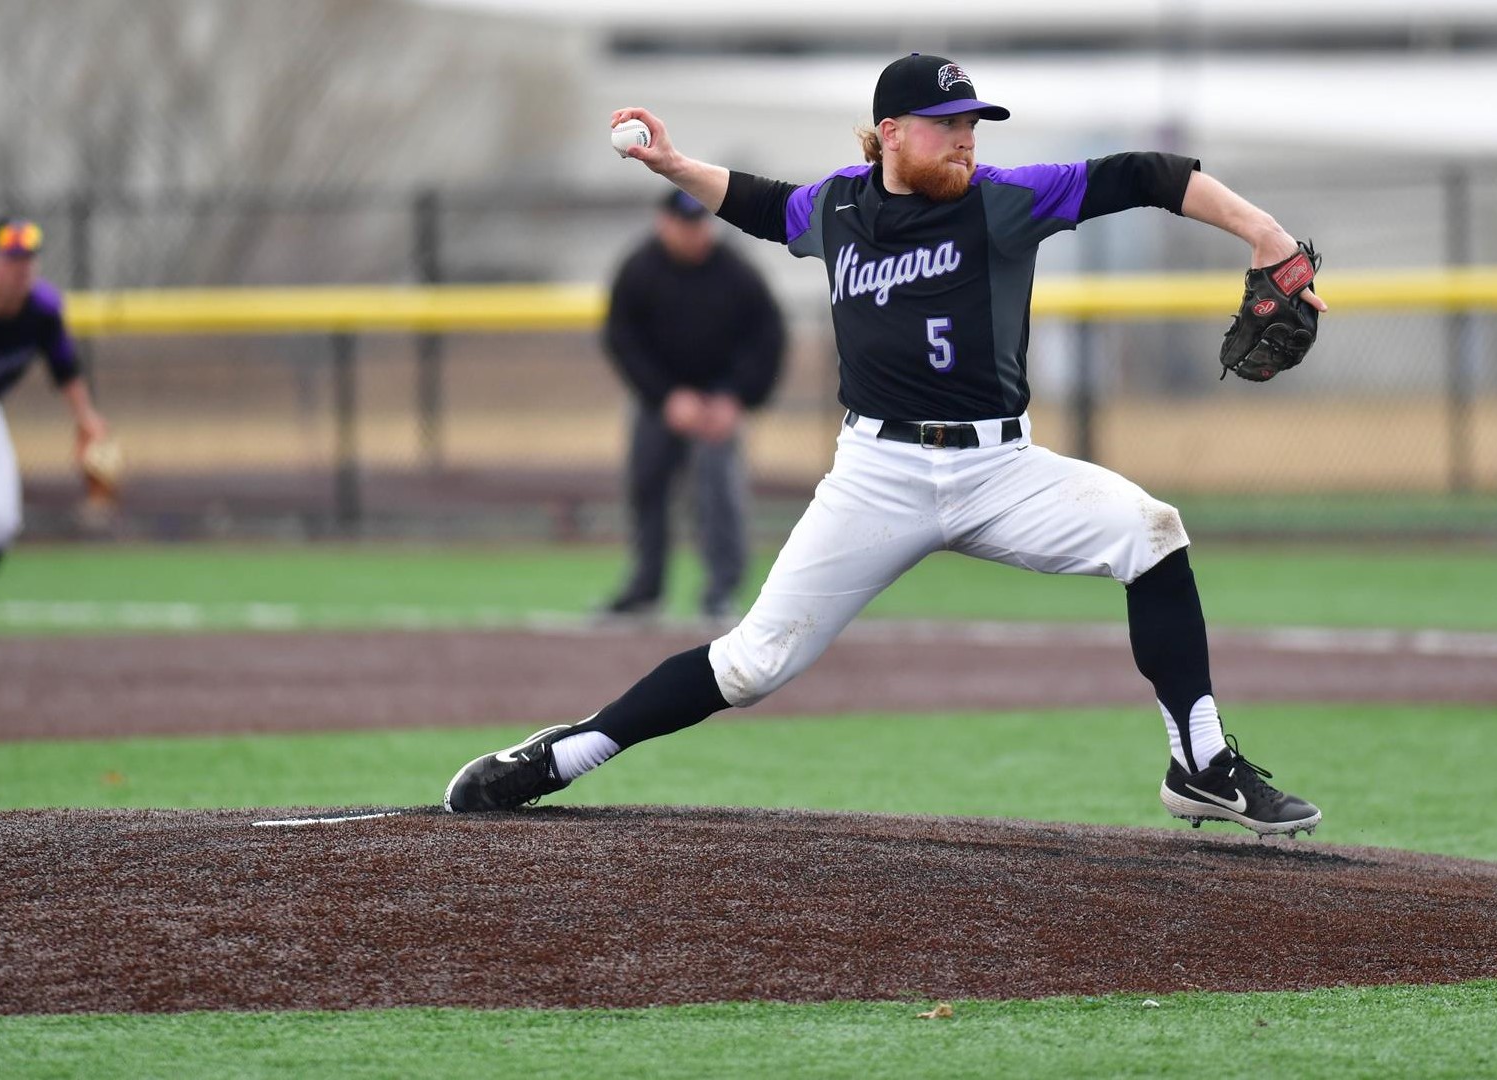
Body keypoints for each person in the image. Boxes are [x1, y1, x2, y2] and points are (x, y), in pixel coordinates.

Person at [445, 54, 1329, 837]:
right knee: (752, 665)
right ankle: (563, 755)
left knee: (1151, 532)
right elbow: (758, 205)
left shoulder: (1006, 203)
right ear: (891, 134)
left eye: (973, 125)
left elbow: (1149, 174)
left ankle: (1201, 764)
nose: (965, 140)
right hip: (877, 475)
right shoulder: (837, 205)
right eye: (946, 125)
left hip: (1000, 468)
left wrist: (1268, 237)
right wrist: (673, 164)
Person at [599, 188, 786, 622]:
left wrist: (737, 396)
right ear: (663, 222)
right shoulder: (639, 269)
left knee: (718, 494)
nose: (693, 234)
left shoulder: (736, 272)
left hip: (719, 399)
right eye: (684, 225)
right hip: (661, 400)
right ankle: (646, 589)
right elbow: (622, 339)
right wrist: (664, 396)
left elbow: (768, 337)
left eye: (700, 224)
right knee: (647, 486)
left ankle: (721, 592)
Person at [0, 217, 110, 668]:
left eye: (28, 262)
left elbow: (64, 366)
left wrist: (87, 420)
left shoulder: (41, 311)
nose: (20, 271)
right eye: (10, 260)